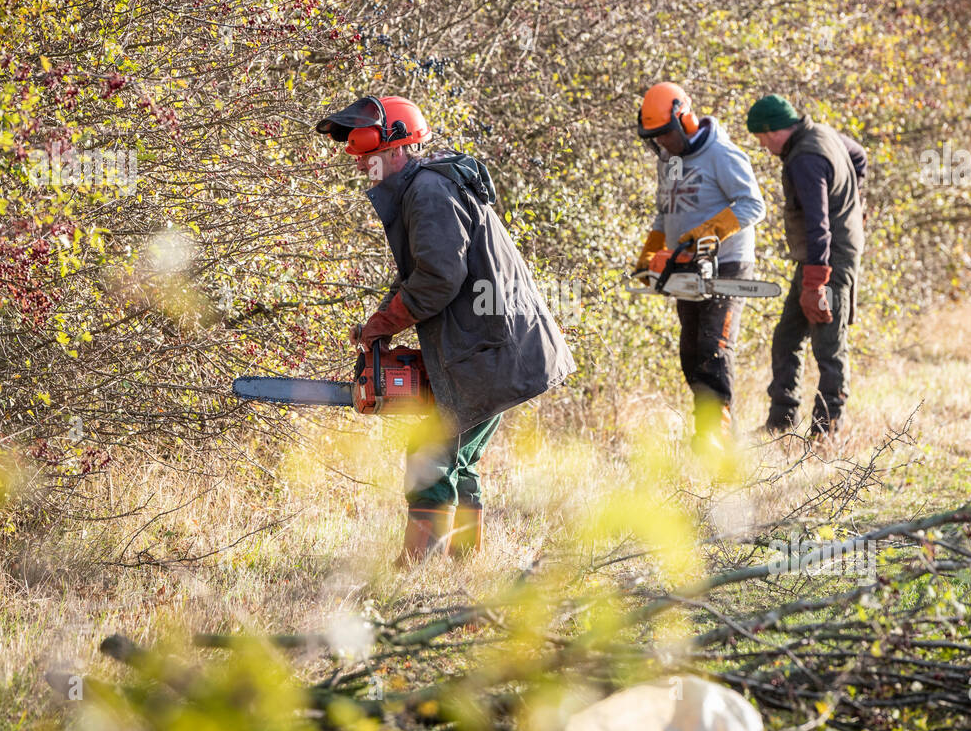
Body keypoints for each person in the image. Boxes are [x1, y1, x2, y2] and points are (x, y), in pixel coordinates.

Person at [315, 95, 575, 565]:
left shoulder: (428, 192)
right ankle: (463, 561)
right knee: (458, 455)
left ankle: (417, 563)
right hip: (496, 345)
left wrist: (386, 321)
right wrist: (381, 322)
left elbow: (439, 280)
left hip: (494, 348)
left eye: (365, 153)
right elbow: (423, 273)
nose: (358, 164)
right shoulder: (425, 187)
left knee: (430, 451)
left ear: (395, 147)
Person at [634, 82, 766, 453]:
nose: (661, 143)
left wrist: (708, 232)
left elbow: (753, 204)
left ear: (684, 120)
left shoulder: (722, 154)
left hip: (726, 263)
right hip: (685, 266)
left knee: (714, 345)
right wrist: (652, 251)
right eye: (654, 137)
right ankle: (715, 431)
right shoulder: (668, 161)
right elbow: (667, 211)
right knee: (691, 350)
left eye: (665, 134)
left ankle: (714, 435)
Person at [746, 94, 867, 438]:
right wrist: (855, 204)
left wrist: (816, 283)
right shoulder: (823, 133)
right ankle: (781, 421)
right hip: (818, 257)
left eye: (761, 139)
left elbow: (819, 225)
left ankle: (826, 428)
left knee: (828, 344)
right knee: (787, 337)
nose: (764, 147)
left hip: (827, 258)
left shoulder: (805, 159)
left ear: (772, 131)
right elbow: (859, 154)